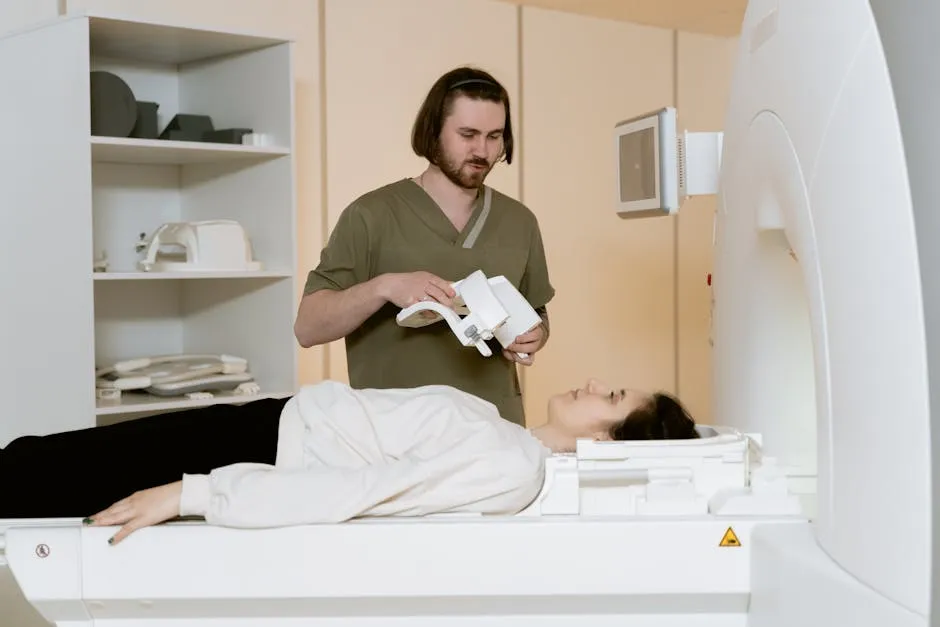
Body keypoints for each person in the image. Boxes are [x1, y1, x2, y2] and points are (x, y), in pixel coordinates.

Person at [0, 378, 697, 545]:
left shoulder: (512, 465)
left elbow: (357, 490)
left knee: (31, 473)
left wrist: (192, 493)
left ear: (608, 443)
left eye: (610, 396)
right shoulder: (505, 433)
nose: (593, 383)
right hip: (266, 424)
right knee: (32, 466)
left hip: (247, 451)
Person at [293, 66, 556, 426]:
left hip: (496, 435)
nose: (482, 150)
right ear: (433, 132)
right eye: (468, 134)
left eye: (495, 136)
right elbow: (308, 328)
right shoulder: (371, 215)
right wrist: (385, 286)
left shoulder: (520, 222)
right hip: (393, 438)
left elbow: (537, 311)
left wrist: (534, 336)